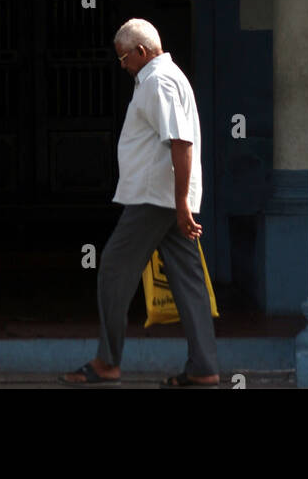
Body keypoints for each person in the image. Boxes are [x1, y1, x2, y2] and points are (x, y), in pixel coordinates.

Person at [63, 19, 219, 388]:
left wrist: (180, 203)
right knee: (189, 282)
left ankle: (107, 362)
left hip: (156, 198)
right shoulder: (166, 77)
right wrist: (182, 203)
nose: (122, 66)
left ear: (142, 51)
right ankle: (203, 366)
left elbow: (180, 142)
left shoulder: (157, 81)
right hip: (169, 198)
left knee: (114, 271)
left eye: (123, 58)